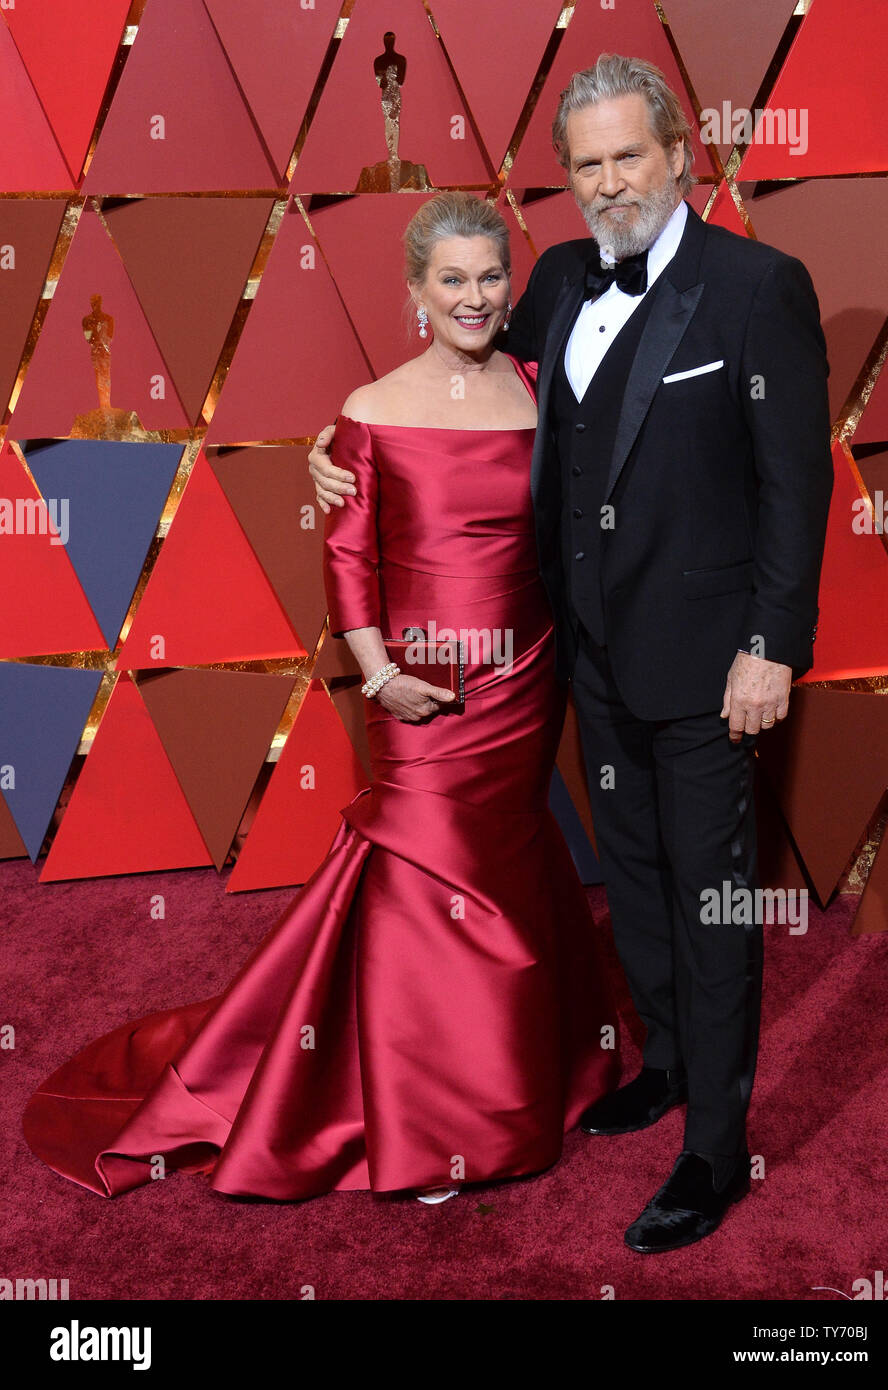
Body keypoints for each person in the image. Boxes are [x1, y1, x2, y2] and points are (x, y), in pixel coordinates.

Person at [309, 54, 834, 1250]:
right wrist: (330, 453)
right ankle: (658, 1065)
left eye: (626, 157)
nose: (607, 182)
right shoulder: (550, 280)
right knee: (637, 884)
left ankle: (715, 1150)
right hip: (584, 655)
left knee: (707, 899)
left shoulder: (759, 287)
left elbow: (798, 488)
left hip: (713, 665)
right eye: (585, 163)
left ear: (678, 155)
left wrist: (773, 646)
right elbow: (455, 376)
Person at [22, 192, 618, 1207]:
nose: (473, 297)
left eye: (488, 278)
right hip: (416, 682)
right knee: (433, 874)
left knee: (508, 865)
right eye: (451, 280)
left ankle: (517, 1073)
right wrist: (381, 675)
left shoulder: (537, 386)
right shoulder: (371, 409)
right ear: (415, 290)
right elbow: (347, 566)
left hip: (526, 674)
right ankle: (438, 1118)